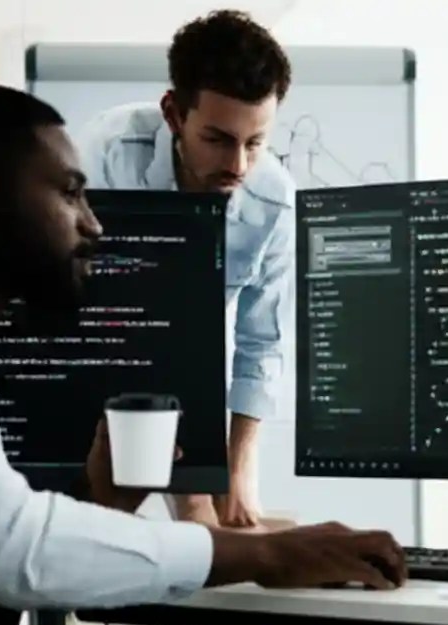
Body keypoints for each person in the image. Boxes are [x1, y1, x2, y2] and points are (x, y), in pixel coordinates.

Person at [0, 80, 406, 625]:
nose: (93, 223)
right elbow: (7, 548)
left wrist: (99, 504)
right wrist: (269, 553)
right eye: (70, 192)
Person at [78, 9, 294, 529]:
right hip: (94, 347)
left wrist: (234, 473)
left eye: (255, 142)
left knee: (207, 520)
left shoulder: (273, 200)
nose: (238, 165)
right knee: (82, 525)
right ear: (174, 115)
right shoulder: (105, 157)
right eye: (218, 139)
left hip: (191, 366)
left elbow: (260, 344)